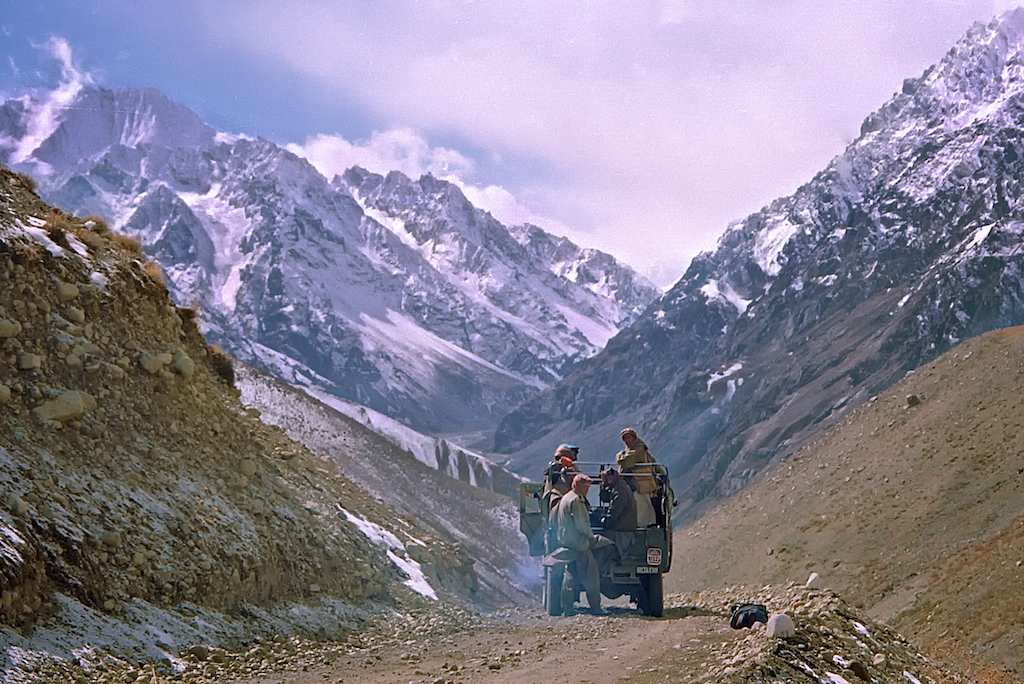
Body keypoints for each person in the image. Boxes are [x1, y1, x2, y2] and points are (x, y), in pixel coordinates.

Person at [554, 474, 606, 615]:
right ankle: (596, 608)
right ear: (578, 485)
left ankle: (567, 609)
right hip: (579, 543)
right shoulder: (576, 500)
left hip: (567, 541)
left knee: (570, 574)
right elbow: (581, 524)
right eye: (586, 486)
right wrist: (592, 537)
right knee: (591, 575)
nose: (587, 490)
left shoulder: (566, 497)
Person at [615, 428, 658, 528]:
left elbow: (626, 462)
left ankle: (641, 527)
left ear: (634, 438)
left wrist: (619, 457)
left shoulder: (639, 449)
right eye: (625, 438)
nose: (627, 440)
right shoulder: (628, 450)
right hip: (633, 483)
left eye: (629, 437)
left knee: (641, 506)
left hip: (640, 483)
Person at [598, 468, 637, 564]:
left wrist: (603, 522)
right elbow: (605, 498)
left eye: (607, 479)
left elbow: (614, 513)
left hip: (621, 531)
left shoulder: (620, 491)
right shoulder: (619, 487)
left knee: (600, 540)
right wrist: (604, 485)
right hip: (622, 528)